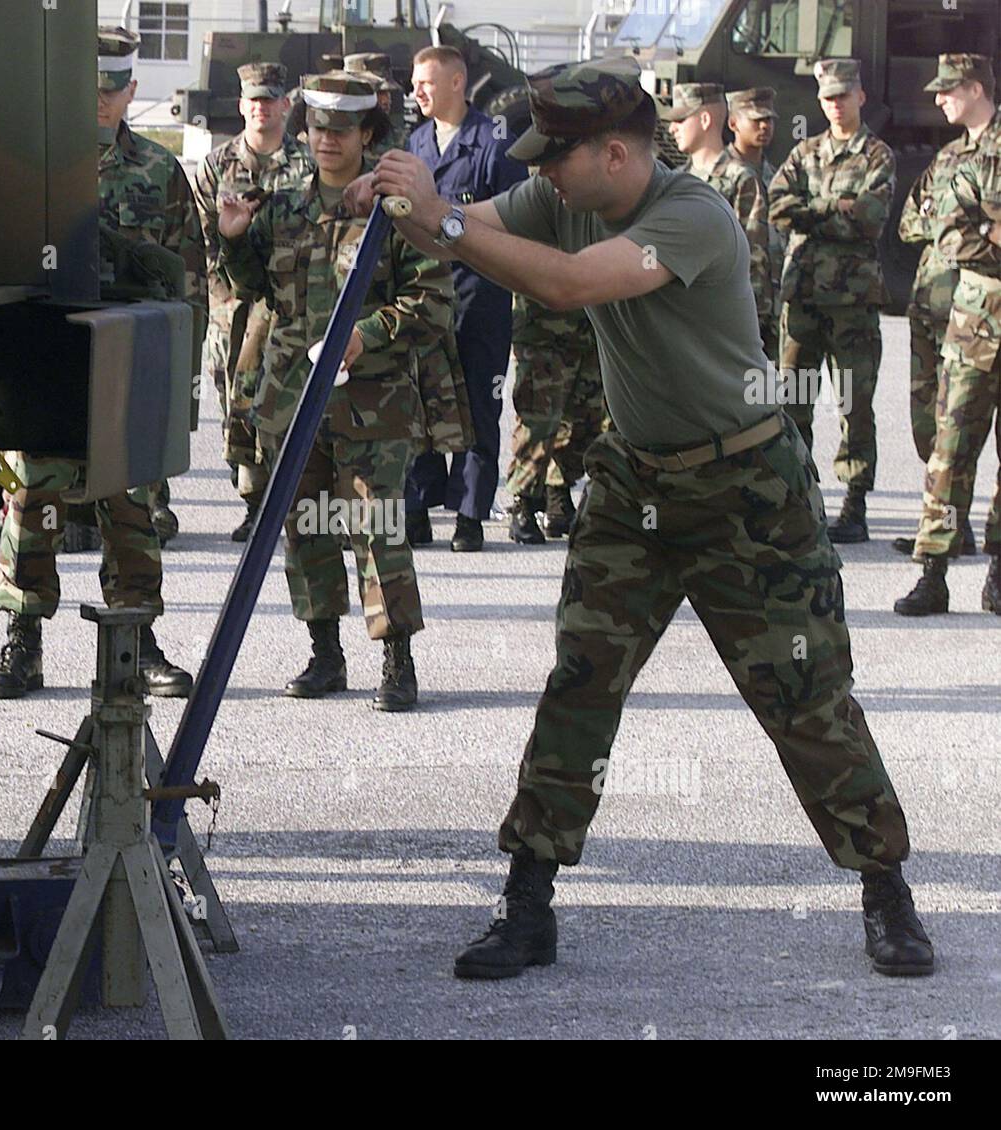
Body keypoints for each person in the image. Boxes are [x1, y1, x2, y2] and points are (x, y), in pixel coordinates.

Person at [355, 56, 932, 981]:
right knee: (580, 685)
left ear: (617, 153)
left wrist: (445, 216)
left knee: (804, 700)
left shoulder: (691, 216)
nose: (541, 174)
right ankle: (529, 900)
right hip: (634, 486)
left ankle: (886, 888)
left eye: (558, 157)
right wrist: (411, 202)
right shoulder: (568, 195)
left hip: (746, 493)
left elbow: (570, 285)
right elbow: (472, 237)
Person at [217, 72, 461, 711]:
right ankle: (325, 651)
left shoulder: (396, 211)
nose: (328, 139)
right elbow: (255, 289)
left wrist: (367, 333)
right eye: (319, 127)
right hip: (291, 397)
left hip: (371, 403)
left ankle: (396, 657)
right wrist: (236, 238)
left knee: (376, 525)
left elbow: (432, 303)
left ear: (367, 135)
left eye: (343, 129)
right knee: (303, 525)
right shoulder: (284, 207)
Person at [0, 28, 200, 700]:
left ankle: (136, 641)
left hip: (129, 366)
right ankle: (23, 641)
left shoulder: (159, 174)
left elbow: (187, 283)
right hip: (48, 359)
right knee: (31, 501)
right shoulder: (31, 163)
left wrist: (180, 389)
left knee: (133, 502)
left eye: (113, 89)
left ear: (132, 90)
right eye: (89, 89)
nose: (100, 102)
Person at [402, 44, 527, 552]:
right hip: (425, 298)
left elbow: (516, 219)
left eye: (426, 82)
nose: (418, 92)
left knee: (479, 402)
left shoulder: (494, 142)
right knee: (420, 403)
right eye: (415, 83)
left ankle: (471, 515)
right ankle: (418, 506)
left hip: (481, 296)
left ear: (457, 83)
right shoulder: (415, 143)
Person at [768, 59, 895, 544]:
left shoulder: (877, 155)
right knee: (794, 399)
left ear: (861, 96)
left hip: (853, 302)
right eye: (828, 98)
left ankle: (856, 503)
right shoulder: (805, 152)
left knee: (853, 403)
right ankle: (801, 497)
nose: (836, 104)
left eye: (844, 95)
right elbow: (779, 205)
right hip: (801, 298)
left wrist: (811, 212)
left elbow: (869, 218)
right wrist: (832, 207)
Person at [894, 55, 1000, 617]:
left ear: (976, 88)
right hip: (973, 323)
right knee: (950, 450)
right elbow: (932, 229)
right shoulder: (950, 157)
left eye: (948, 90)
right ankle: (933, 571)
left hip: (983, 307)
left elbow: (954, 231)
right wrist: (986, 225)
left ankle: (999, 572)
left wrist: (969, 224)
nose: (938, 100)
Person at [194, 62, 314, 543]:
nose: (261, 108)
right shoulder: (217, 164)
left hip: (290, 308)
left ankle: (296, 504)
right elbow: (202, 235)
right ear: (242, 106)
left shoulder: (308, 165)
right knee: (238, 408)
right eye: (253, 100)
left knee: (290, 404)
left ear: (286, 104)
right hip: (233, 312)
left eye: (270, 99)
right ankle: (254, 501)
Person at [666, 83, 774, 355]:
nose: (671, 128)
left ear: (704, 120)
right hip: (683, 321)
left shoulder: (740, 179)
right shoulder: (674, 181)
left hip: (726, 325)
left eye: (680, 119)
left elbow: (753, 258)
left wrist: (753, 326)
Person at [505, 296, 604, 543]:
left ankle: (558, 494)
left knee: (586, 419)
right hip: (542, 330)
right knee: (538, 420)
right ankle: (523, 503)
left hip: (590, 328)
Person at [728, 86, 785, 363]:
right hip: (735, 307)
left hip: (772, 307)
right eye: (756, 120)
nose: (764, 126)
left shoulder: (777, 177)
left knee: (768, 395)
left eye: (769, 120)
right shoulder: (721, 177)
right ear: (733, 123)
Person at [344, 52, 407, 161]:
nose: (386, 100)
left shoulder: (400, 139)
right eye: (377, 93)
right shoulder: (334, 139)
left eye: (387, 92)